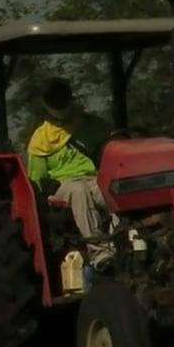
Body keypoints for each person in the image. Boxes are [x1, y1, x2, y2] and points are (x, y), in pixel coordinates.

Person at [25, 78, 115, 267]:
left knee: (113, 190)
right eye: (54, 98)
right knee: (79, 191)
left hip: (93, 178)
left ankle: (124, 241)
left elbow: (114, 144)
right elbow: (37, 181)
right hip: (63, 185)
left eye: (62, 96)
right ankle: (100, 253)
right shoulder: (40, 138)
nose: (59, 101)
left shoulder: (91, 124)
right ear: (46, 103)